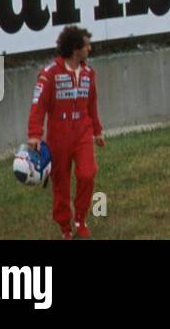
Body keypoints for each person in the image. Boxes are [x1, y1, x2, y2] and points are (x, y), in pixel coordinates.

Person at [27, 26, 104, 240]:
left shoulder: (89, 73)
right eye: (86, 44)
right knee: (60, 183)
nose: (90, 48)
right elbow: (38, 105)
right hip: (58, 137)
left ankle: (80, 217)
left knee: (88, 173)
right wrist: (35, 134)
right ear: (74, 48)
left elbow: (92, 105)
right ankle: (65, 226)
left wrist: (97, 131)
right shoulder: (49, 73)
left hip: (82, 133)